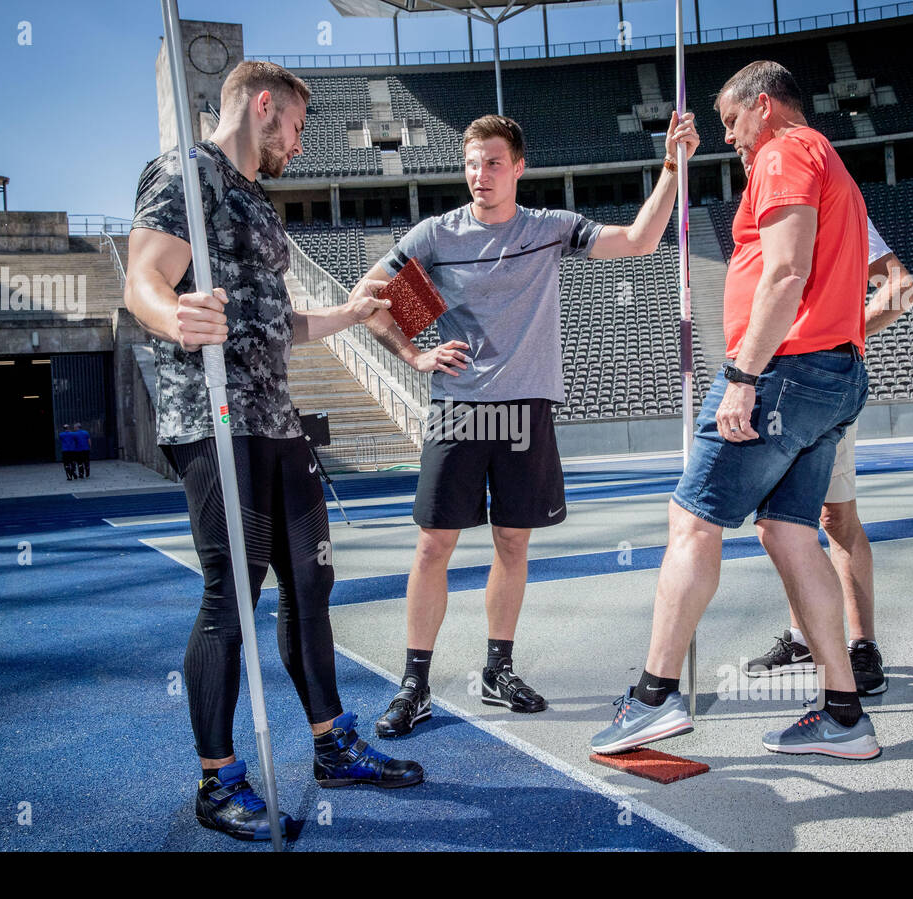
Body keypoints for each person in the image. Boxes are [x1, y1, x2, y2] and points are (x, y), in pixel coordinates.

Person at [125, 60, 423, 842]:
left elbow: (278, 322)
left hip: (277, 419)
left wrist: (349, 315)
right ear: (264, 106)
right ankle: (218, 780)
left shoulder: (257, 199)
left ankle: (330, 744)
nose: (298, 141)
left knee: (310, 585)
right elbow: (143, 279)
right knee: (231, 595)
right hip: (214, 420)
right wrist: (176, 315)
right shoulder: (185, 173)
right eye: (294, 123)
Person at [350, 109, 699, 737]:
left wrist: (672, 166)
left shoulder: (549, 229)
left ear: (517, 168)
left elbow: (641, 241)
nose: (478, 175)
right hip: (456, 409)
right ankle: (415, 683)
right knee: (434, 545)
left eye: (491, 163)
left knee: (513, 544)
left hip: (526, 411)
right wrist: (415, 351)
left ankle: (497, 669)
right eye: (470, 164)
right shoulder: (437, 235)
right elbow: (367, 296)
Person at [591, 60, 879, 760]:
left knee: (691, 521)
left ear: (765, 105)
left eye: (731, 121)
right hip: (833, 374)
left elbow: (785, 273)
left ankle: (653, 700)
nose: (730, 138)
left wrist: (744, 374)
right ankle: (843, 713)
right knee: (788, 533)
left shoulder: (784, 150)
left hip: (784, 370)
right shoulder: (824, 159)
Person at [745, 219, 913, 695]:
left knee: (835, 516)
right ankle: (803, 638)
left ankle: (862, 646)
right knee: (778, 523)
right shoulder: (757, 212)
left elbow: (901, 288)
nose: (729, 140)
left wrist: (836, 335)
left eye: (738, 136)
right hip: (769, 383)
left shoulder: (836, 208)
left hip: (819, 382)